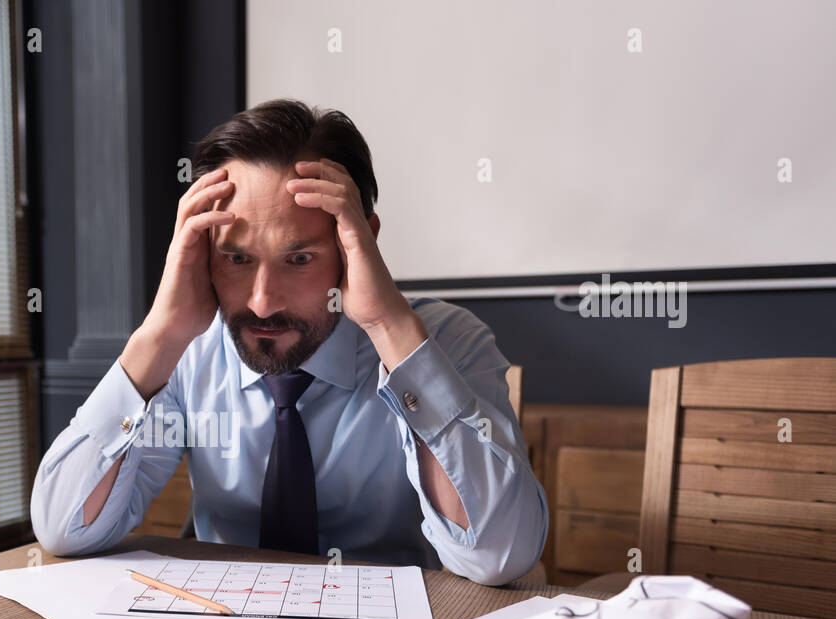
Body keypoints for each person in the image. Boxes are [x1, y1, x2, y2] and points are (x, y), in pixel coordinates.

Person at [30, 99, 547, 586]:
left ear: (357, 244)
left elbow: (498, 554)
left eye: (299, 259)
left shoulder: (449, 343)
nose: (262, 303)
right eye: (237, 259)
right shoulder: (188, 352)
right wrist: (159, 336)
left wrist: (391, 327)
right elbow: (63, 530)